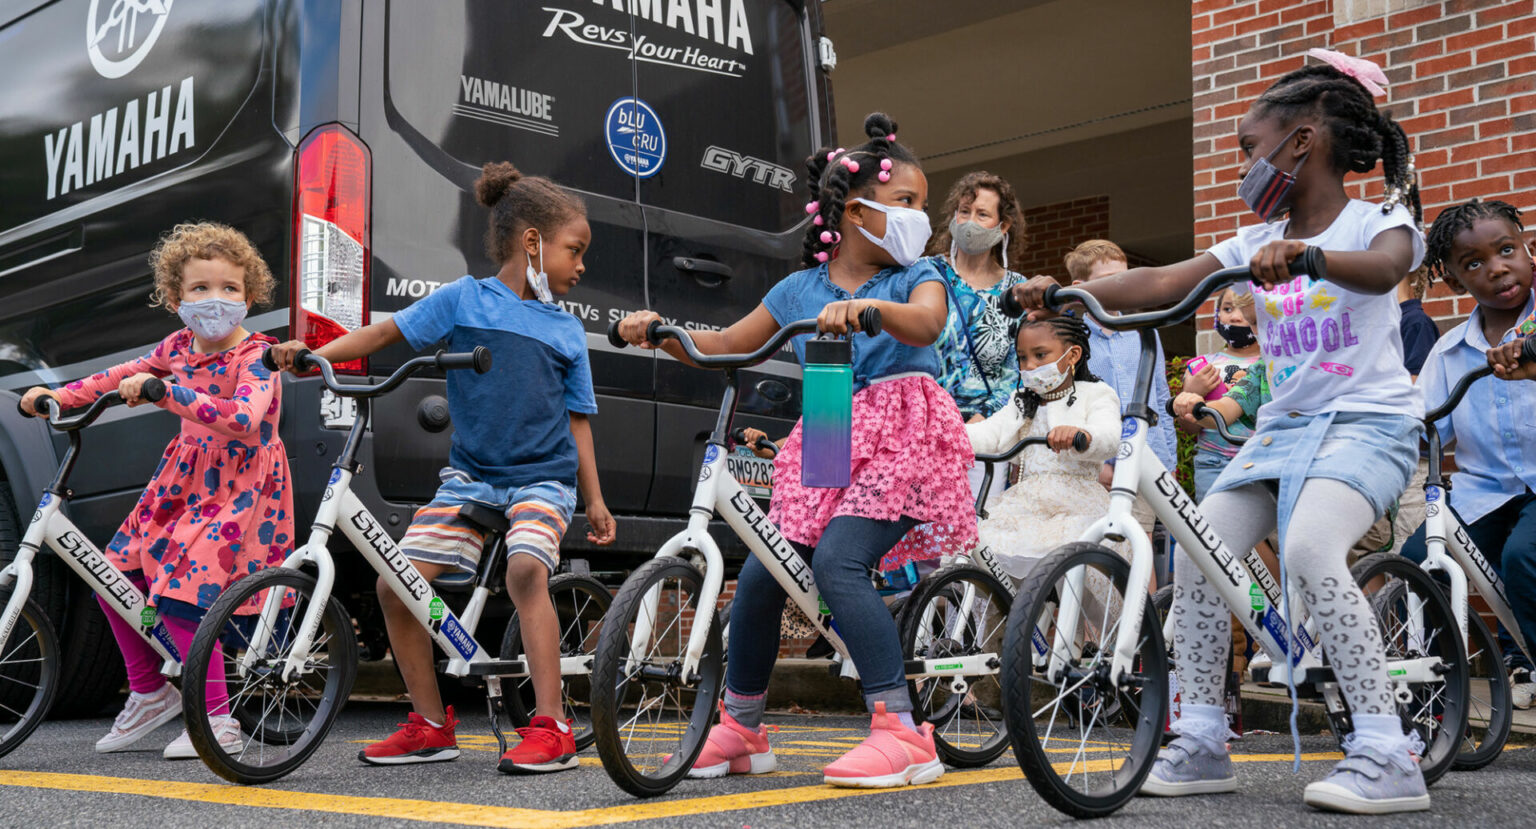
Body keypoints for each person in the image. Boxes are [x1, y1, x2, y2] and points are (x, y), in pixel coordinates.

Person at [1013, 49, 1430, 814]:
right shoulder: (1250, 240)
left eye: (1249, 145)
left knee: (1307, 547)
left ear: (1301, 141)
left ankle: (1383, 746)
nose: (1246, 162)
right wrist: (1070, 289)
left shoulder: (1379, 220)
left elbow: (1383, 269)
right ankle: (1202, 735)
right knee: (1202, 554)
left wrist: (1309, 256)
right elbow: (1164, 281)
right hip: (1282, 431)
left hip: (1366, 423)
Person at [617, 113, 975, 789]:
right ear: (855, 209)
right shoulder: (798, 291)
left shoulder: (918, 275)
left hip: (901, 425)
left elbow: (928, 320)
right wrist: (659, 331)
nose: (918, 218)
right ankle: (744, 725)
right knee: (763, 576)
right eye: (906, 203)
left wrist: (872, 312)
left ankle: (902, 729)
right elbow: (724, 343)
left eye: (921, 205)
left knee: (840, 564)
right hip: (832, 420)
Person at [269, 161, 616, 774]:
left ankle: (553, 725)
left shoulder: (565, 330)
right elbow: (382, 336)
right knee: (391, 584)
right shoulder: (462, 300)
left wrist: (593, 498)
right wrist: (312, 356)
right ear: (532, 241)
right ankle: (431, 723)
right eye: (575, 250)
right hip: (472, 477)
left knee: (527, 571)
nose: (583, 266)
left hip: (544, 478)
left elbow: (578, 421)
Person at [20, 222, 291, 759]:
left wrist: (167, 392)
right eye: (199, 289)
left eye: (229, 289)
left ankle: (217, 720)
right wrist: (55, 395)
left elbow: (242, 418)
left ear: (250, 296)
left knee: (187, 597)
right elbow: (118, 375)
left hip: (239, 486)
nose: (215, 301)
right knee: (111, 574)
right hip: (183, 479)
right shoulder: (177, 346)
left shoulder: (256, 356)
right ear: (175, 298)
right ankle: (149, 692)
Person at [1400, 199, 1536, 709]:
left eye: (1506, 250)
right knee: (1416, 560)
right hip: (1487, 491)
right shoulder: (1451, 350)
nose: (1496, 267)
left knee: (1525, 557)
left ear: (1529, 251)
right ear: (1456, 282)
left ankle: (1530, 662)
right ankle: (1436, 682)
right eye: (1474, 263)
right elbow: (1424, 421)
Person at [965, 316, 1120, 578]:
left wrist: (1082, 435)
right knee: (979, 545)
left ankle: (1071, 615)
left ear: (1072, 355)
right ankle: (1007, 612)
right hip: (1024, 502)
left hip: (1074, 504)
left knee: (1066, 550)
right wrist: (946, 436)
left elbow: (1110, 435)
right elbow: (990, 432)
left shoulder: (1095, 393)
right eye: (1023, 358)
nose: (1030, 365)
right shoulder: (1022, 401)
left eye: (1040, 355)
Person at [924, 171, 1028, 499]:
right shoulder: (926, 274)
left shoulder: (1017, 290)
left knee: (973, 537)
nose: (969, 222)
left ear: (1003, 226)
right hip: (925, 432)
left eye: (982, 214)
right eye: (964, 211)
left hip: (985, 437)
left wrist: (981, 423)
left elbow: (1018, 370)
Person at [1063, 240, 1177, 533]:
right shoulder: (1072, 341)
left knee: (1139, 544)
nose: (1119, 287)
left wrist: (1169, 461)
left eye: (1123, 278)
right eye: (1108, 281)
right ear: (1081, 288)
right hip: (1100, 468)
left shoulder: (1144, 331)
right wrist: (1095, 465)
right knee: (1100, 550)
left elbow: (1160, 395)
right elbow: (1067, 406)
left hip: (1146, 462)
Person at [1183, 288, 1263, 501]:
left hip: (1259, 460)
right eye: (1227, 309)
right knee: (1213, 530)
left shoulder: (1269, 365)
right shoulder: (1203, 367)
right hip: (1212, 463)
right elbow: (1188, 428)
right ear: (1217, 315)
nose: (1235, 317)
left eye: (1244, 312)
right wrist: (1193, 392)